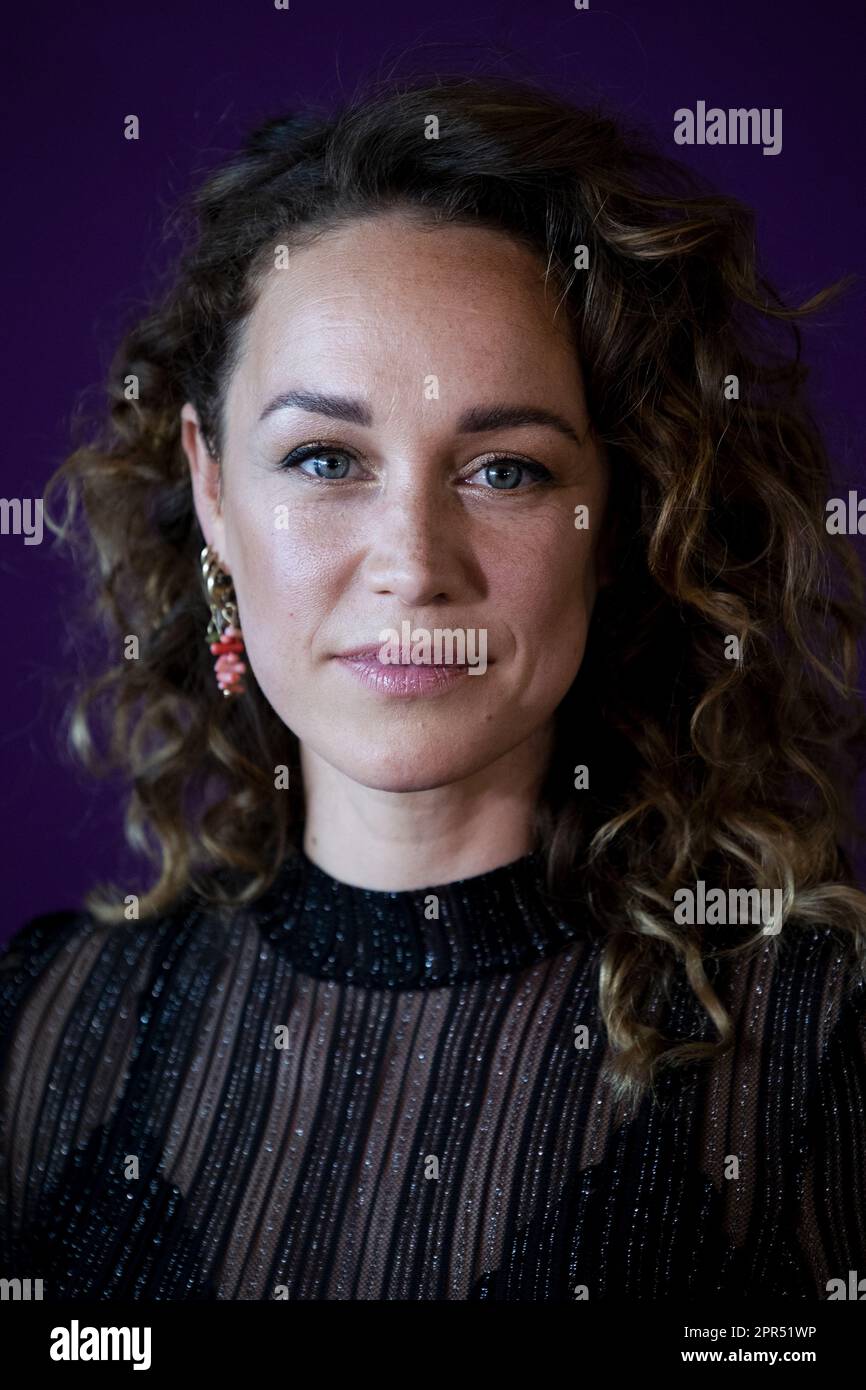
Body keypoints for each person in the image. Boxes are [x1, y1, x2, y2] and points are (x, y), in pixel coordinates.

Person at [2, 72, 865, 1301]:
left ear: (612, 516)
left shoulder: (819, 1047)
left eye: (504, 470)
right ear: (211, 489)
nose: (413, 564)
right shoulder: (41, 1028)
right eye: (321, 457)